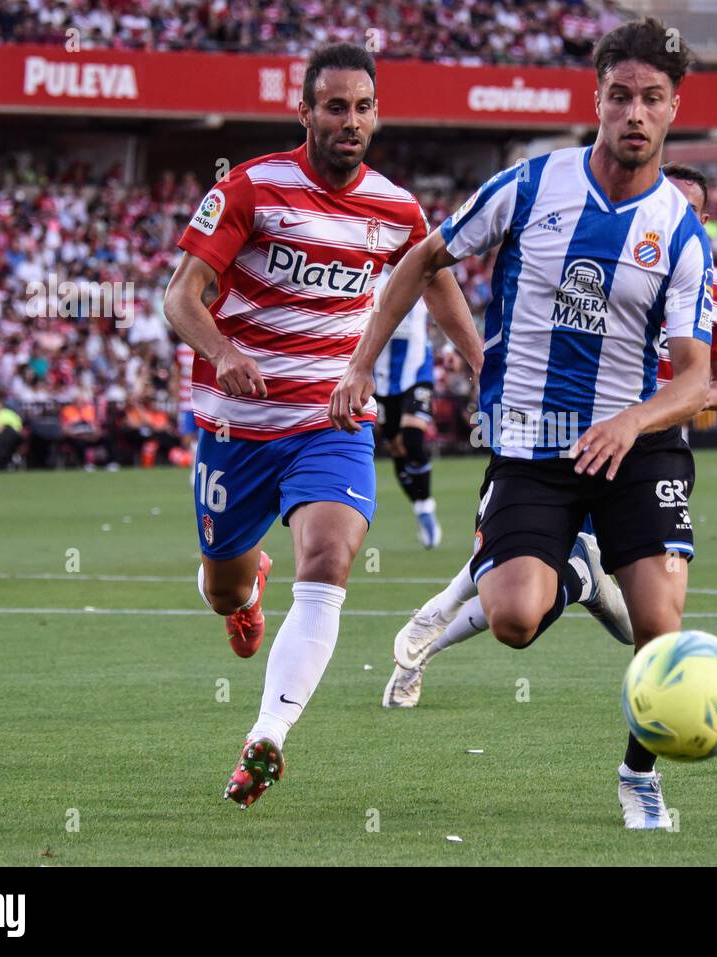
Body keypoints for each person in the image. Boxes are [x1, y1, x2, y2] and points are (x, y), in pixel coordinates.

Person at [331, 18, 714, 829]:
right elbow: (422, 258)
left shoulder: (680, 232)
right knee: (511, 619)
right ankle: (571, 568)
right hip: (531, 449)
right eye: (620, 97)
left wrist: (631, 422)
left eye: (652, 99)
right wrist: (362, 361)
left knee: (658, 626)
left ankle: (639, 776)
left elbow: (697, 378)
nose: (634, 114)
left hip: (635, 448)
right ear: (597, 100)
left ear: (673, 108)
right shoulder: (532, 185)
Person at [162, 43, 483, 810]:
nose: (350, 121)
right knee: (222, 586)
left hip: (329, 417)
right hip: (237, 428)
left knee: (332, 557)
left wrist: (479, 359)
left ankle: (267, 737)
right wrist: (223, 349)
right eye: (334, 106)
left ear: (377, 115)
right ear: (303, 112)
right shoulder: (250, 189)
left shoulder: (396, 208)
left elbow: (432, 275)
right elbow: (181, 297)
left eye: (363, 107)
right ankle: (244, 593)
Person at [377, 164, 717, 717]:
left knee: (635, 628)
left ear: (703, 220)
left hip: (646, 450)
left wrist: (669, 402)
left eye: (691, 212)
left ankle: (544, 592)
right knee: (518, 602)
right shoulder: (609, 253)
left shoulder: (716, 287)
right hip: (566, 437)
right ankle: (431, 640)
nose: (676, 217)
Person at [371, 278, 442, 548]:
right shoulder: (374, 277)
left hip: (417, 371)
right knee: (397, 447)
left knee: (412, 439)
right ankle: (420, 504)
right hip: (382, 377)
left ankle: (425, 506)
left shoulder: (424, 271)